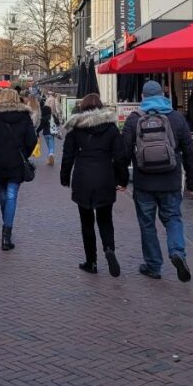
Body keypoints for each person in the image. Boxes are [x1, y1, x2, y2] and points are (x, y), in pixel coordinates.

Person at [121, 80, 193, 282]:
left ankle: (153, 266)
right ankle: (177, 253)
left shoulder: (134, 119)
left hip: (144, 183)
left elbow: (124, 152)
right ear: (163, 96)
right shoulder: (176, 118)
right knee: (173, 219)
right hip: (171, 181)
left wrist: (121, 179)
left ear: (143, 97)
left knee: (147, 224)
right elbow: (190, 152)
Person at [60, 93, 128, 277]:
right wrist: (123, 179)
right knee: (105, 219)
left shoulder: (75, 129)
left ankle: (91, 261)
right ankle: (109, 248)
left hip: (83, 178)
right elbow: (120, 156)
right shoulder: (111, 128)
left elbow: (68, 156)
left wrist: (64, 177)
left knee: (86, 222)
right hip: (105, 177)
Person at [0, 89, 37, 251]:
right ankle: (6, 235)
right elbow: (32, 140)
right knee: (12, 195)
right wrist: (24, 154)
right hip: (16, 162)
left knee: (3, 194)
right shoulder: (25, 117)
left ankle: (6, 224)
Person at [40, 95, 61, 166]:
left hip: (45, 134)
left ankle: (49, 159)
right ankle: (51, 156)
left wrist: (36, 132)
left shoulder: (43, 118)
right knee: (51, 146)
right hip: (51, 133)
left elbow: (41, 126)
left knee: (49, 146)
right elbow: (58, 123)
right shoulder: (52, 116)